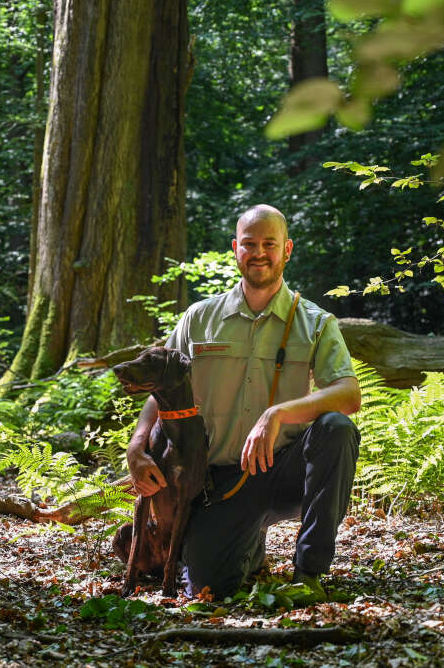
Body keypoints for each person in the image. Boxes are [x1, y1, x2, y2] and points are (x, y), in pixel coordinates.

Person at [125, 203, 361, 600]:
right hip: (221, 483)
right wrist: (136, 445)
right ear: (236, 249)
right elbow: (161, 389)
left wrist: (277, 413)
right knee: (207, 588)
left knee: (336, 429)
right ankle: (246, 544)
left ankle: (309, 574)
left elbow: (349, 395)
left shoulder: (316, 323)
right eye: (249, 243)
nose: (259, 252)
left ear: (287, 250)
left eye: (270, 243)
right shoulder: (199, 318)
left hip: (286, 468)